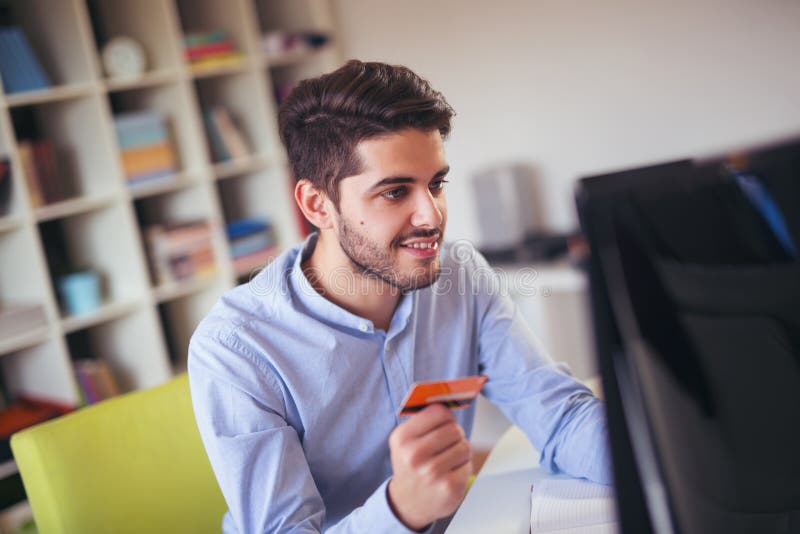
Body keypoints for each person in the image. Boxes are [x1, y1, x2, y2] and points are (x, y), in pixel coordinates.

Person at [188, 60, 611, 534]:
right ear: (317, 205)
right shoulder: (237, 348)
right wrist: (401, 508)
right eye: (394, 192)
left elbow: (560, 416)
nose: (431, 217)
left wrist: (680, 454)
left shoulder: (462, 276)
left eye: (436, 184)